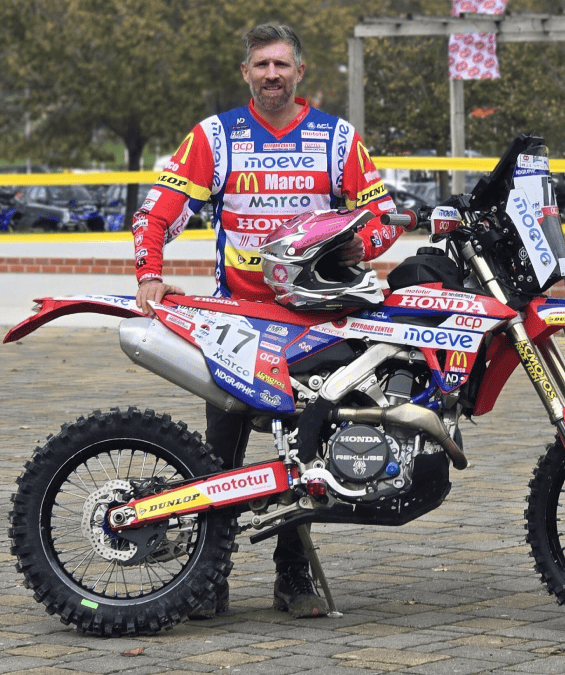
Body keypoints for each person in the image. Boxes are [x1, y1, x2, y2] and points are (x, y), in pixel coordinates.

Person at [130, 24, 399, 619]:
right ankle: (208, 579)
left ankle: (293, 579)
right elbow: (160, 210)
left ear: (300, 71)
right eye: (260, 65)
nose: (271, 74)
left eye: (281, 64)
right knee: (218, 455)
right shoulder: (214, 136)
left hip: (317, 324)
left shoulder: (337, 138)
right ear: (246, 73)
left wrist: (359, 246)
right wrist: (149, 270)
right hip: (235, 322)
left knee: (308, 454)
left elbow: (381, 217)